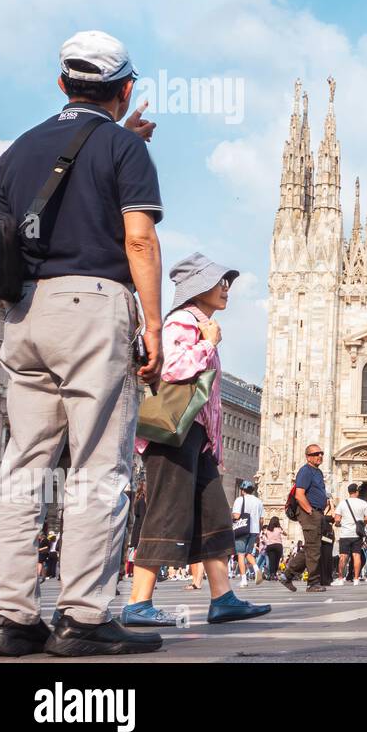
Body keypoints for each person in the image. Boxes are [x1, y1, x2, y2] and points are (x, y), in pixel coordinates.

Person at [0, 31, 165, 657]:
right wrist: (153, 324)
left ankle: (12, 621)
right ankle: (83, 620)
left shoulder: (14, 154)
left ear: (62, 84)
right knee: (97, 465)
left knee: (23, 467)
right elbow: (138, 240)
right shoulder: (123, 149)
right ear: (125, 90)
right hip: (93, 308)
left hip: (25, 311)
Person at [123, 255, 271, 627]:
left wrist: (214, 446)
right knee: (166, 511)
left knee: (213, 515)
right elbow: (172, 368)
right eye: (219, 281)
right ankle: (138, 603)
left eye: (227, 282)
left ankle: (223, 598)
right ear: (196, 288)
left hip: (195, 436)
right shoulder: (181, 322)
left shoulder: (202, 324)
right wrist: (208, 344)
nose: (226, 289)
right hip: (173, 435)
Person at [280, 444, 329, 592]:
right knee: (314, 549)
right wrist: (310, 511)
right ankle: (312, 583)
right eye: (315, 454)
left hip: (318, 513)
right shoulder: (305, 471)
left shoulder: (318, 472)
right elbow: (299, 494)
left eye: (321, 453)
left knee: (310, 547)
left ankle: (287, 576)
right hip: (310, 513)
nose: (319, 456)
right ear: (308, 457)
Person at [333, 483, 367, 587]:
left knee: (343, 556)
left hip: (345, 534)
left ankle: (341, 579)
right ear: (357, 491)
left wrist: (340, 524)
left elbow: (337, 519)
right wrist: (360, 522)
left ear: (349, 492)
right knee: (356, 555)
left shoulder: (342, 503)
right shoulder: (363, 503)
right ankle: (356, 579)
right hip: (357, 534)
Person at [232, 481, 265, 588]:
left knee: (240, 554)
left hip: (242, 529)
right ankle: (256, 568)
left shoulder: (240, 500)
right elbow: (261, 520)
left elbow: (236, 516)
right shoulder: (259, 501)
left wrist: (232, 516)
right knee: (248, 553)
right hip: (254, 530)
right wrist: (259, 533)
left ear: (242, 490)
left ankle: (244, 580)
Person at [262, 518, 286, 582]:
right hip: (278, 546)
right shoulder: (279, 529)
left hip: (270, 546)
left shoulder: (267, 530)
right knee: (276, 561)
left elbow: (263, 536)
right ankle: (274, 574)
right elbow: (285, 534)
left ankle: (272, 574)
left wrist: (267, 540)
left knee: (271, 561)